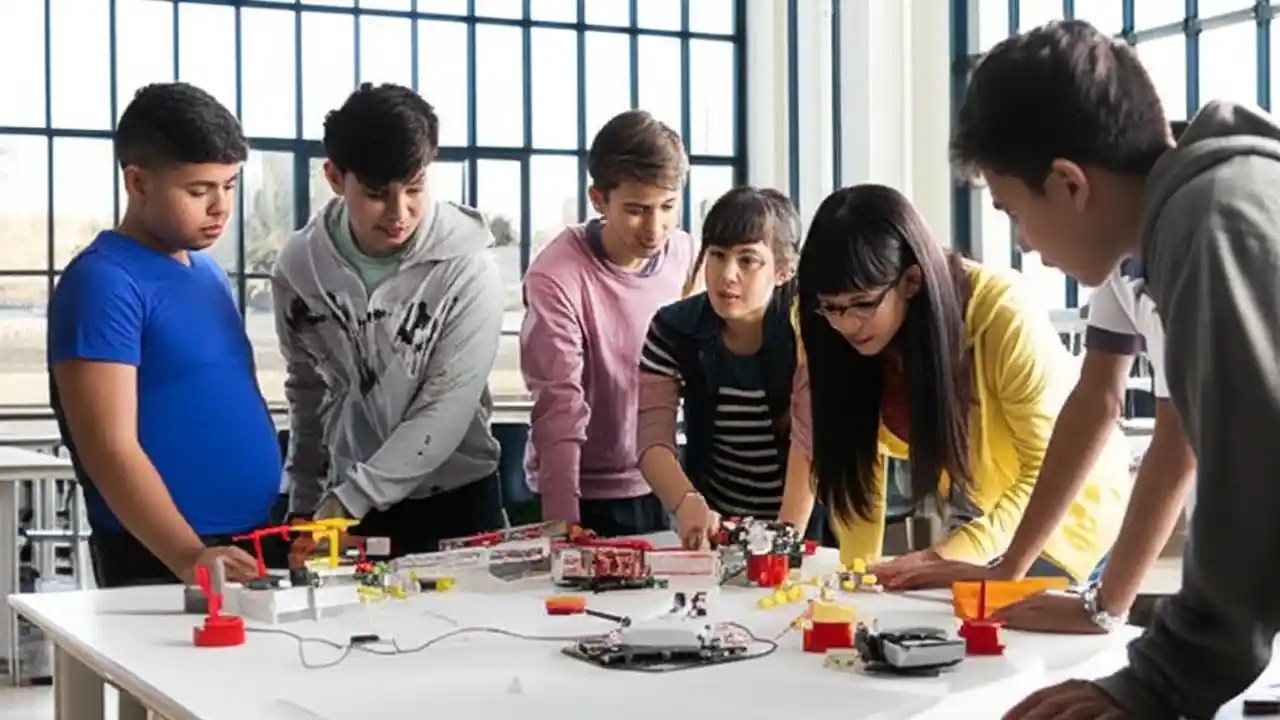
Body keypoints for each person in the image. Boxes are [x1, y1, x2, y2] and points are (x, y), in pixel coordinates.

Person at [952, 19, 1280, 720]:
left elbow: (1256, 475)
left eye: (1013, 212)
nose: (1023, 245)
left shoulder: (1210, 221)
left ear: (1069, 184)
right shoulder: (1199, 209)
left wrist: (1158, 682)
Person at [777, 184, 1132, 589]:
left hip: (1073, 506)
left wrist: (938, 558)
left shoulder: (1001, 312)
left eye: (862, 304)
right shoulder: (819, 326)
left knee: (1022, 639)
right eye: (832, 306)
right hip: (993, 505)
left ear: (911, 281)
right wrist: (860, 579)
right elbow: (857, 464)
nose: (845, 323)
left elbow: (1044, 468)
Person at [47, 82, 283, 588]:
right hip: (163, 553)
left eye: (230, 185)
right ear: (137, 183)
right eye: (198, 191)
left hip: (243, 540)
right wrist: (187, 555)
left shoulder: (207, 272)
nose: (220, 207)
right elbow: (108, 447)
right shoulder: (104, 281)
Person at [274, 83, 506, 557]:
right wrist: (304, 505)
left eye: (416, 189)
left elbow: (446, 408)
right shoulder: (300, 267)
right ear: (336, 178)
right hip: (350, 500)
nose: (400, 214)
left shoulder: (468, 266)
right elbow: (308, 392)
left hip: (458, 498)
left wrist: (342, 504)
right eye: (378, 195)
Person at [520, 109, 695, 536]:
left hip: (661, 482)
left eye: (668, 207)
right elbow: (559, 403)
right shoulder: (557, 275)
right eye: (636, 210)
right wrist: (561, 522)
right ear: (599, 199)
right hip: (580, 489)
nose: (655, 229)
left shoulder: (688, 255)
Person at [636, 187, 818, 548]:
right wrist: (687, 503)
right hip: (714, 526)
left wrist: (781, 543)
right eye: (718, 255)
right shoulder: (673, 329)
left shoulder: (810, 330)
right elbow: (652, 441)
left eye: (748, 260)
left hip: (804, 524)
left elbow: (809, 449)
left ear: (783, 271)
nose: (726, 274)